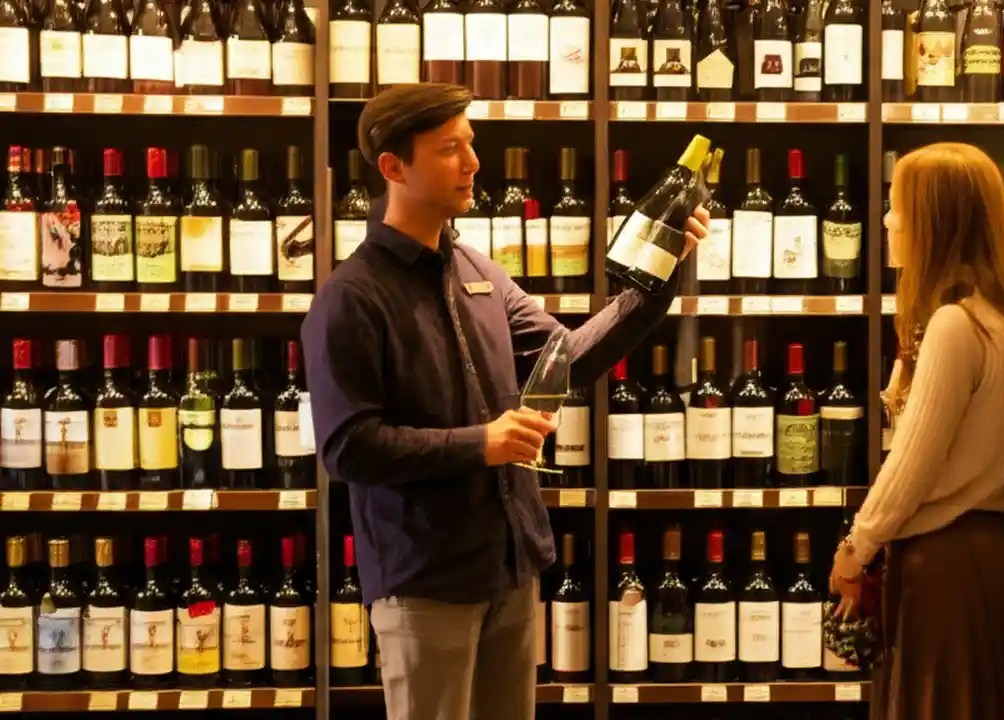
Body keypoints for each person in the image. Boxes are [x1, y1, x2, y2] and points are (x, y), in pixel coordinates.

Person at [301, 83, 709, 720]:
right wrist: (481, 444)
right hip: (425, 581)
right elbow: (348, 447)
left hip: (511, 567)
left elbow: (566, 361)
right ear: (393, 167)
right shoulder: (351, 298)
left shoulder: (478, 271)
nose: (472, 163)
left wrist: (658, 279)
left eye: (471, 145)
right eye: (450, 149)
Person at [828, 142, 1004, 720]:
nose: (885, 219)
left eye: (898, 206)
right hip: (997, 564)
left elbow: (912, 463)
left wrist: (857, 548)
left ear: (937, 221)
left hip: (951, 571)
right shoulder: (1003, 319)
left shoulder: (958, 327)